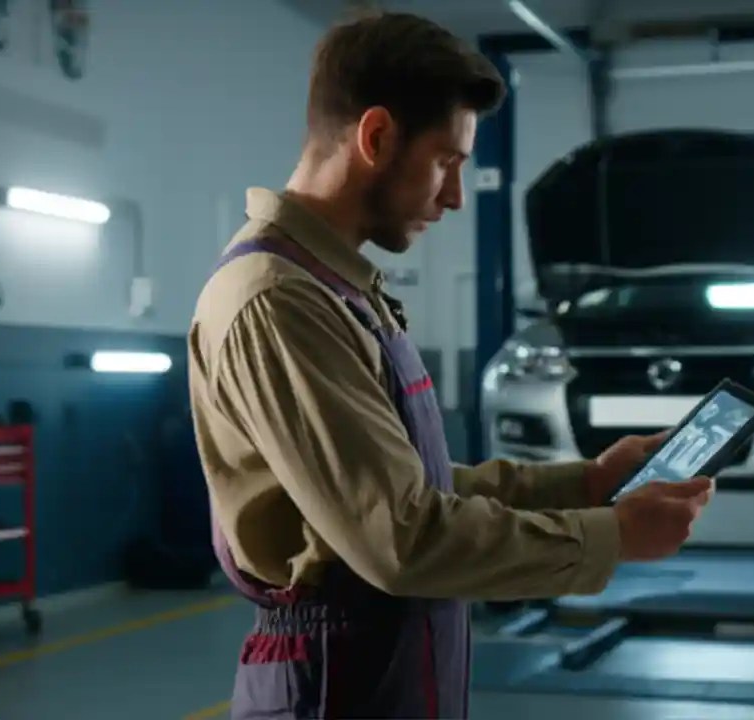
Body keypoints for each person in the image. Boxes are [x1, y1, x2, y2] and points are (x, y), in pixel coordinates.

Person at [187, 10, 714, 719]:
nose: (455, 196)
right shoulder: (279, 302)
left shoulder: (339, 289)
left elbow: (405, 490)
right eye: (446, 161)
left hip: (389, 656)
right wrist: (614, 535)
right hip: (335, 683)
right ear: (375, 138)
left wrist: (585, 483)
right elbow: (399, 538)